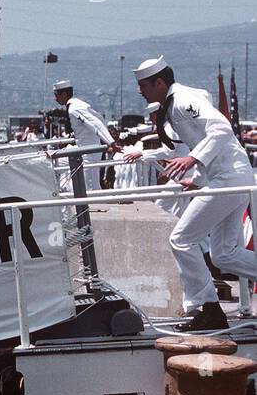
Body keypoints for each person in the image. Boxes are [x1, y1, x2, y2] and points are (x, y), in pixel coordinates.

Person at [136, 56, 257, 331]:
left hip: (228, 179)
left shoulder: (182, 100)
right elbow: (207, 141)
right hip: (229, 177)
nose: (139, 91)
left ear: (159, 82)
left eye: (143, 85)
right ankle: (210, 308)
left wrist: (192, 160)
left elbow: (222, 129)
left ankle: (209, 309)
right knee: (224, 254)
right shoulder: (174, 103)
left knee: (181, 239)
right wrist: (198, 179)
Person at [54, 79, 113, 189]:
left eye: (56, 95)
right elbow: (99, 118)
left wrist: (110, 142)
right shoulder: (77, 104)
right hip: (85, 148)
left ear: (64, 94)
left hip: (89, 152)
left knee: (90, 186)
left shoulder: (74, 108)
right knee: (57, 163)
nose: (55, 98)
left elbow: (96, 123)